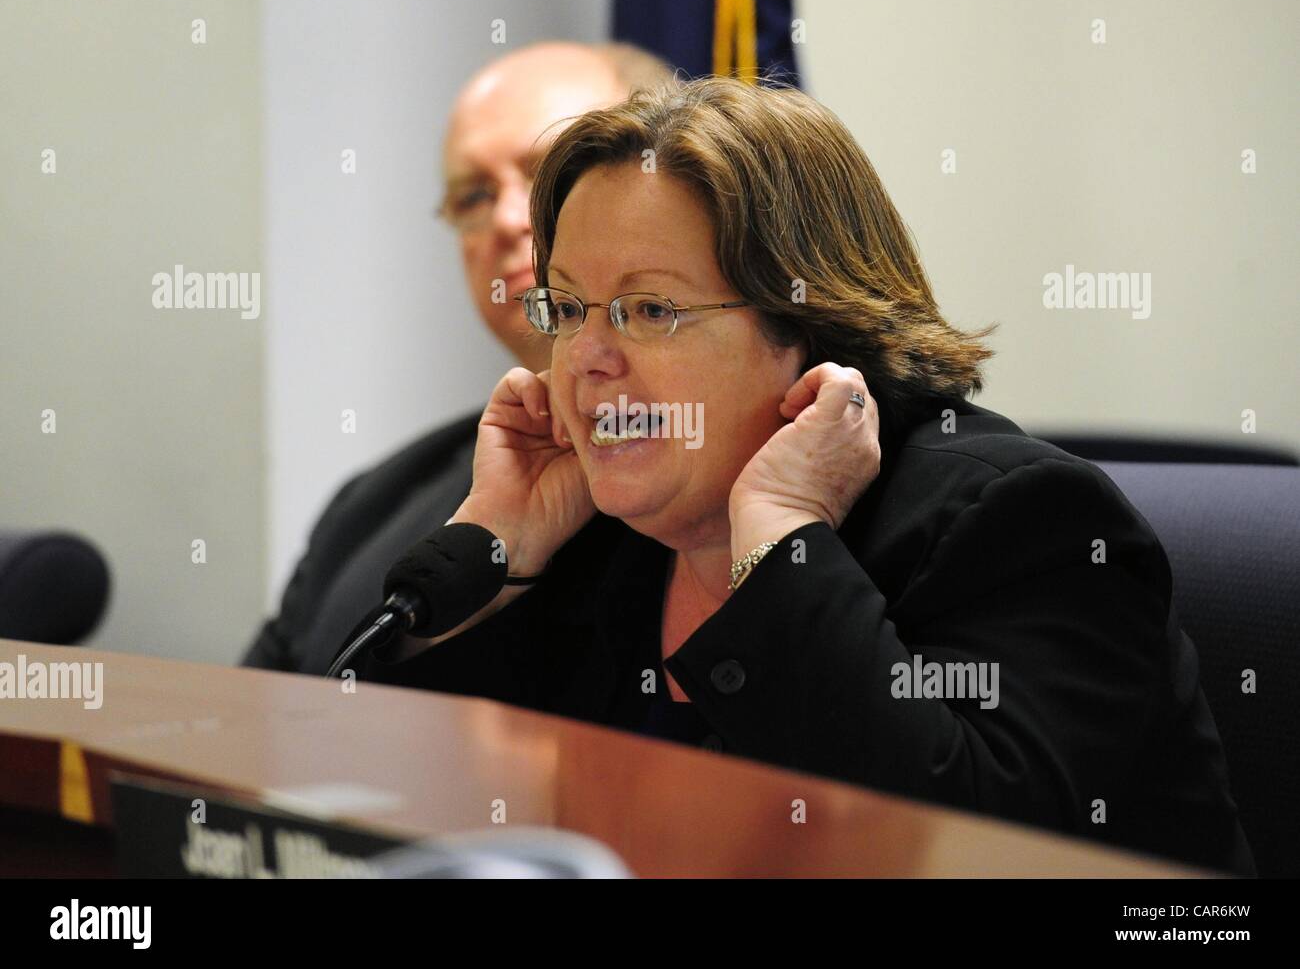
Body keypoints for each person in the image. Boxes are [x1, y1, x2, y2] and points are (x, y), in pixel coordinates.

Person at [353, 76, 1256, 877]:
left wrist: (783, 534)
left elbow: (961, 843)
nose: (585, 357)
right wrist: (495, 548)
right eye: (570, 305)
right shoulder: (603, 537)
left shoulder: (1018, 524)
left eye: (650, 309)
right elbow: (397, 826)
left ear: (809, 326)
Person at [241, 41, 674, 674]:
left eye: (548, 174)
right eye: (472, 196)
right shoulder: (374, 501)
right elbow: (247, 722)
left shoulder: (729, 486)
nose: (505, 218)